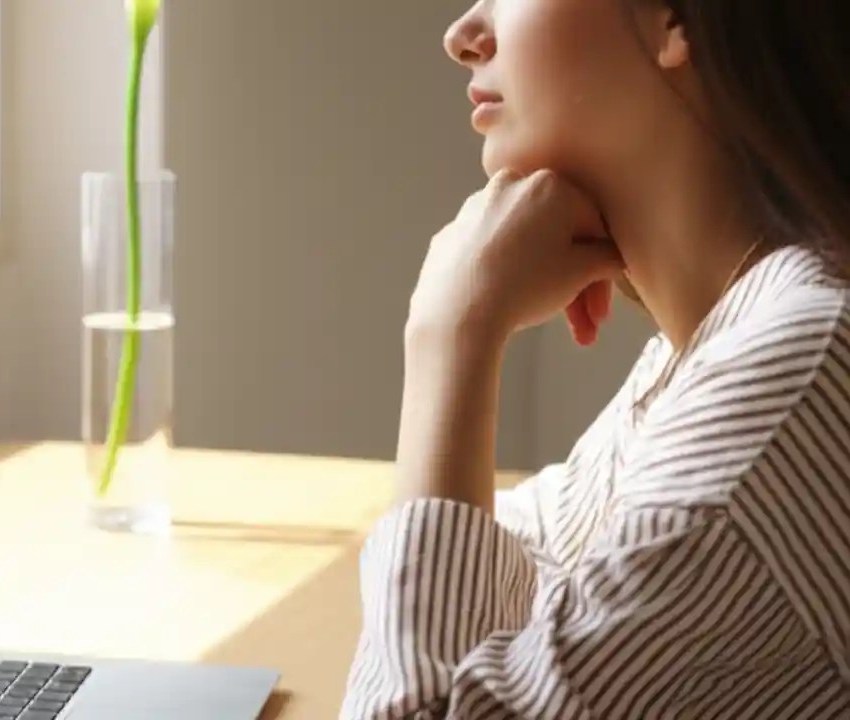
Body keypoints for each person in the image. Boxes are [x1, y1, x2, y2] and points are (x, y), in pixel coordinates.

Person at [340, 0, 850, 717]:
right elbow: (520, 573)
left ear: (680, 20)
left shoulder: (785, 389)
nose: (463, 35)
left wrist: (449, 335)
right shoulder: (728, 342)